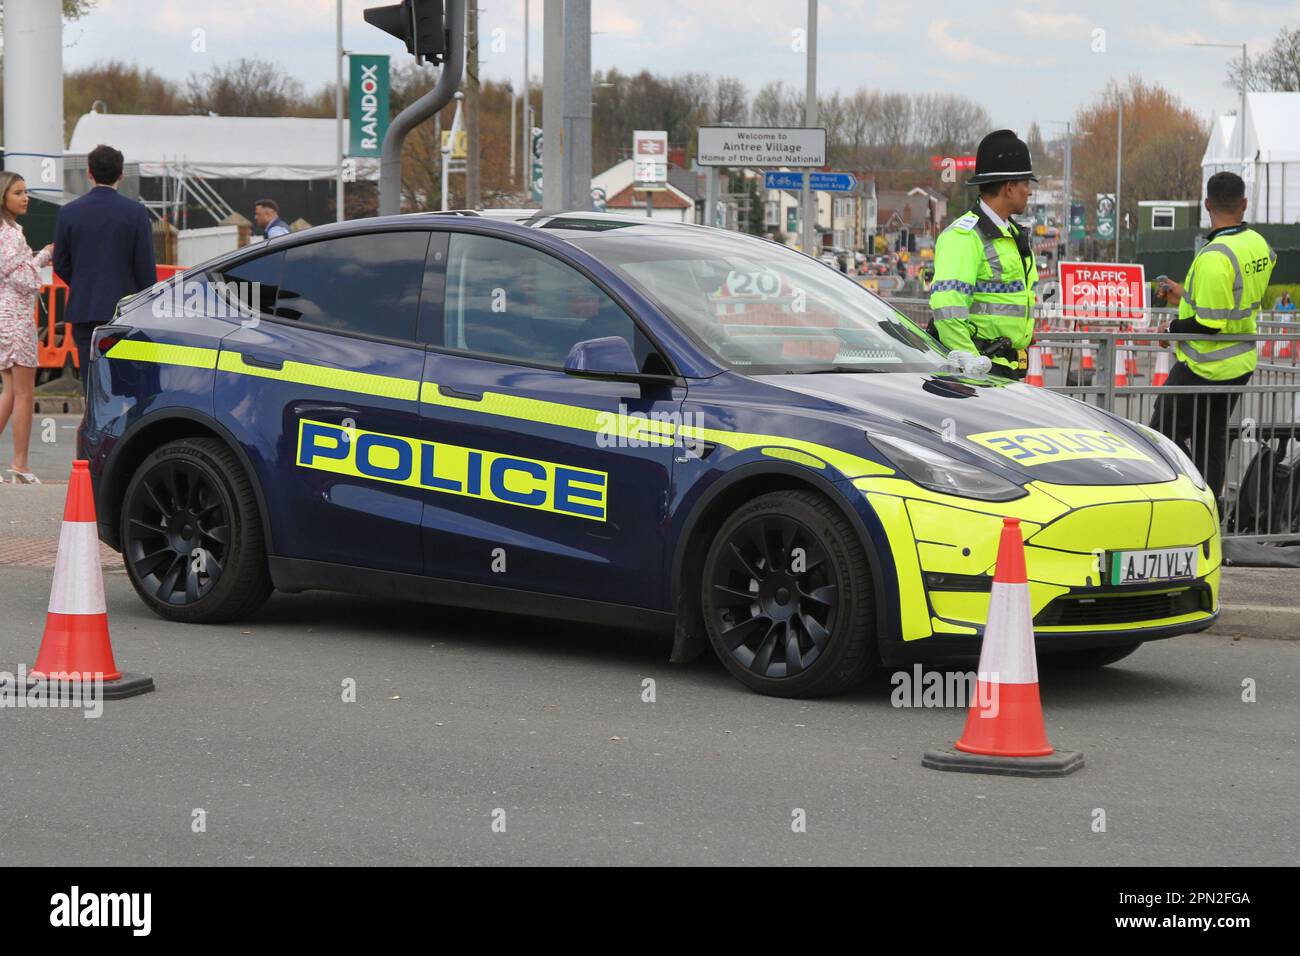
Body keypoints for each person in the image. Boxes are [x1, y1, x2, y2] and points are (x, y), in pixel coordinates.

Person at [1151, 171, 1276, 503]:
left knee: (1162, 436)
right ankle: (1208, 508)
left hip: (1203, 367)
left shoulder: (1214, 257)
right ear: (1244, 203)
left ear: (1207, 204)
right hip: (1239, 365)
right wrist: (1184, 293)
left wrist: (1170, 330)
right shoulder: (1258, 244)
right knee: (1213, 440)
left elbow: (1209, 324)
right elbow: (1234, 298)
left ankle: (1177, 503)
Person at [928, 129, 1038, 379]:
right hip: (979, 373)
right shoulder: (964, 237)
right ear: (1009, 188)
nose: (1029, 191)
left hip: (1005, 370)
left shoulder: (1011, 234)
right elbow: (948, 309)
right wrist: (971, 364)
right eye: (1025, 183)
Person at [53, 143, 157, 395]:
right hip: (124, 312)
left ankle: (94, 430)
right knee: (127, 383)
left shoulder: (68, 212)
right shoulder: (135, 213)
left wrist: (80, 283)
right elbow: (144, 267)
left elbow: (60, 262)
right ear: (121, 174)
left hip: (84, 308)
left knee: (92, 383)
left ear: (89, 173)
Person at [0, 172, 54, 483]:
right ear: (3, 198)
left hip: (6, 317)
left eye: (26, 191)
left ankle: (20, 463)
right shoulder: (11, 235)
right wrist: (44, 257)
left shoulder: (10, 232)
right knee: (23, 393)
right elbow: (21, 278)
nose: (25, 197)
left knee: (10, 391)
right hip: (17, 318)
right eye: (18, 192)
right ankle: (20, 463)